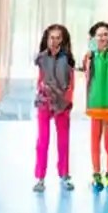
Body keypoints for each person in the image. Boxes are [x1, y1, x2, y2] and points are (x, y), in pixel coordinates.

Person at [83, 21, 108, 192]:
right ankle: (96, 174)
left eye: (106, 34)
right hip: (95, 105)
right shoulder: (89, 57)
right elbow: (86, 76)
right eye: (99, 35)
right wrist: (91, 51)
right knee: (94, 142)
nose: (102, 37)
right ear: (94, 37)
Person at [34, 24, 75, 193]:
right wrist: (42, 91)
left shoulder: (68, 59)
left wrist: (66, 101)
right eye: (52, 37)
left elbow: (71, 83)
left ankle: (64, 175)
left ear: (63, 40)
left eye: (58, 37)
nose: (54, 41)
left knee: (63, 141)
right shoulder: (41, 58)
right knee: (42, 141)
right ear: (47, 38)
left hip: (62, 104)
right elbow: (40, 79)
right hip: (45, 102)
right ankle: (40, 178)